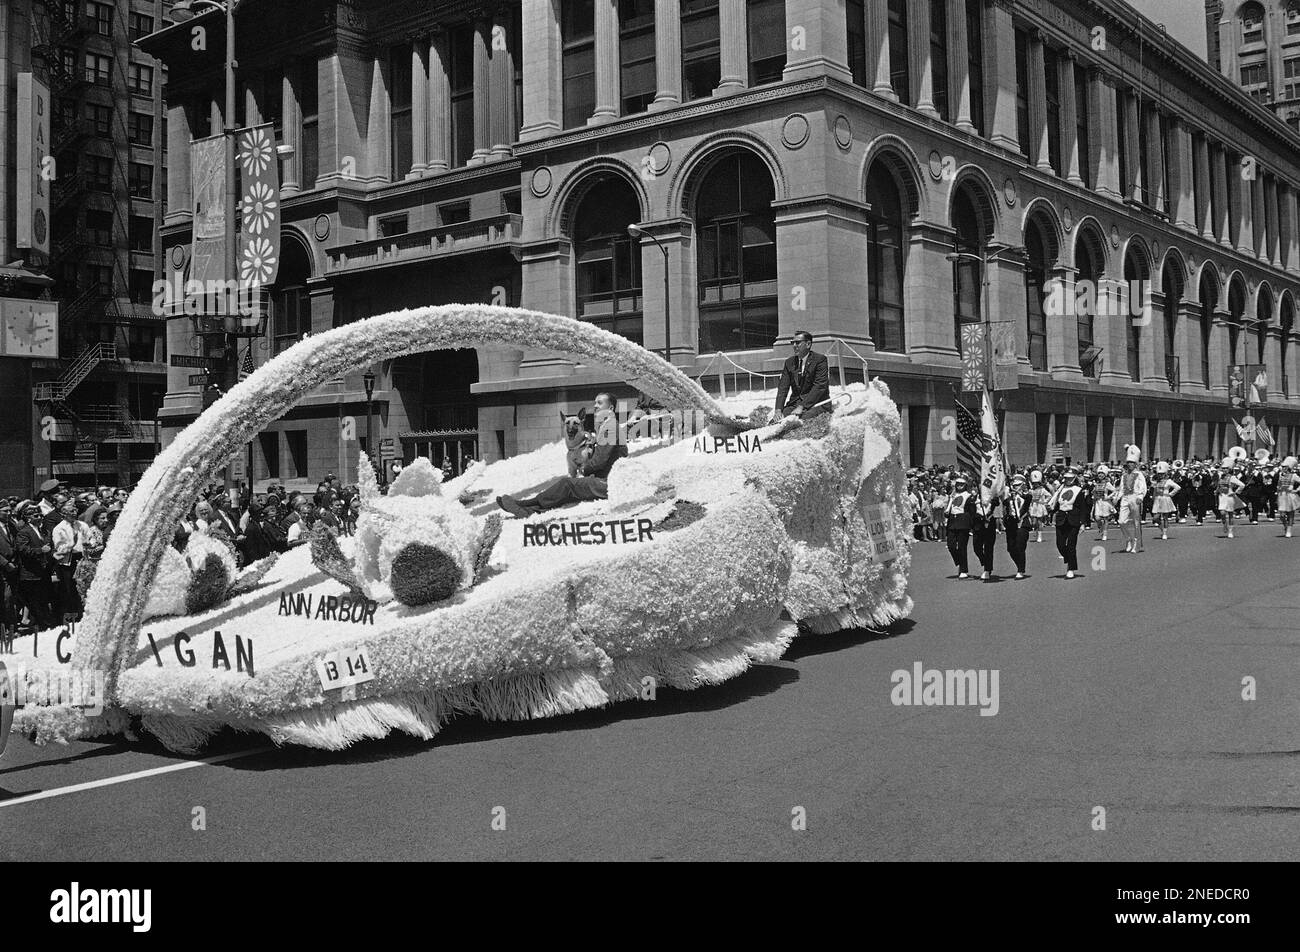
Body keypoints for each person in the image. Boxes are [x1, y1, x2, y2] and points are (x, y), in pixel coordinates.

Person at [497, 442, 629, 516]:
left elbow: (600, 461)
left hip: (607, 483)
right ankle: (530, 510)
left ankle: (527, 504)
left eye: (599, 403)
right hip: (608, 480)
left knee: (567, 484)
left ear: (610, 408)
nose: (595, 406)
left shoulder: (610, 429)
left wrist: (585, 469)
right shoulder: (611, 430)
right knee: (568, 492)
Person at [14, 501, 56, 631]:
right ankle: (43, 626)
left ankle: (45, 625)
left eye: (40, 515)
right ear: (28, 518)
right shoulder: (24, 532)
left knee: (44, 601)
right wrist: (40, 550)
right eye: (36, 516)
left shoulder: (44, 531)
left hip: (44, 573)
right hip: (31, 574)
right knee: (35, 602)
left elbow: (50, 547)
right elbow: (23, 550)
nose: (39, 518)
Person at [773, 330, 830, 420]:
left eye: (798, 343)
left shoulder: (820, 360)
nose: (794, 346)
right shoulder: (789, 362)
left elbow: (820, 386)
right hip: (795, 404)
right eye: (793, 343)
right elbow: (783, 387)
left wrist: (802, 406)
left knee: (802, 420)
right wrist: (778, 410)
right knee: (775, 422)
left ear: (808, 344)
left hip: (816, 403)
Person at [1047, 468, 1087, 579]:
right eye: (1066, 478)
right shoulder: (1060, 490)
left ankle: (1071, 568)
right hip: (1061, 519)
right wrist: (1050, 509)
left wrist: (1083, 523)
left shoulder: (1079, 490)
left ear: (1074, 478)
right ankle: (1070, 559)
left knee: (1071, 545)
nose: (1068, 480)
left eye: (1070, 478)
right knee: (1060, 544)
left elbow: (1083, 508)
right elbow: (1057, 505)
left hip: (1073, 520)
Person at [51, 500, 87, 621]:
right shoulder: (59, 528)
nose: (74, 513)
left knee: (81, 588)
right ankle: (69, 616)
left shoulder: (82, 525)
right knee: (68, 590)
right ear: (64, 514)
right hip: (67, 562)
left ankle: (81, 613)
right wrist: (72, 543)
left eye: (75, 510)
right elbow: (59, 548)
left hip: (82, 559)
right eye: (71, 511)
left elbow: (88, 538)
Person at [944, 475, 977, 579]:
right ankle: (959, 561)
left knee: (962, 547)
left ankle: (963, 570)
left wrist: (971, 525)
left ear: (965, 485)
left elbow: (972, 511)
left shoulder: (968, 495)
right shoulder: (952, 495)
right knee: (951, 545)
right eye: (958, 484)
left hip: (963, 521)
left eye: (962, 484)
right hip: (952, 521)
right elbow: (949, 509)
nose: (959, 486)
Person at [1116, 445, 1147, 554]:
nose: (1130, 464)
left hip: (1135, 498)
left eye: (1132, 463)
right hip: (1125, 498)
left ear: (1136, 464)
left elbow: (1143, 487)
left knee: (1136, 522)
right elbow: (1121, 488)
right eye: (1128, 462)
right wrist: (1117, 498)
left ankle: (1136, 544)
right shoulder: (1124, 475)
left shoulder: (1139, 474)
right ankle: (1128, 539)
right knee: (1121, 521)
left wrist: (1140, 496)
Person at [1002, 474, 1031, 579]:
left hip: (1022, 524)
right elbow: (1004, 502)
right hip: (1011, 525)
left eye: (1018, 485)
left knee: (1020, 547)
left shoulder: (1026, 495)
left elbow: (1027, 499)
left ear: (1023, 484)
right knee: (1011, 548)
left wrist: (1019, 493)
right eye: (1014, 485)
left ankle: (1021, 570)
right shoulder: (1009, 497)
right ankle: (1019, 564)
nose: (1015, 487)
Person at [971, 491, 1000, 581]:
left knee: (988, 548)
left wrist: (990, 497)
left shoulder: (991, 495)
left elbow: (996, 502)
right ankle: (985, 562)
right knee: (977, 547)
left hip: (989, 521)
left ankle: (987, 569)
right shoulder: (974, 497)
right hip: (977, 523)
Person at [1150, 461, 1181, 541]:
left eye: (1162, 473)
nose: (1160, 475)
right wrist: (1153, 498)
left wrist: (1170, 494)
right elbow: (1154, 491)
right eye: (1159, 474)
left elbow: (1177, 487)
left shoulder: (1169, 481)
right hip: (1157, 500)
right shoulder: (1156, 481)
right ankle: (1162, 529)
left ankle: (1164, 533)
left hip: (1165, 500)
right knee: (1155, 518)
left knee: (1165, 517)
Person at [1216, 461, 1246, 539]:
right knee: (1222, 512)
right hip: (1222, 496)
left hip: (1229, 497)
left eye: (1226, 468)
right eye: (1223, 468)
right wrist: (1217, 491)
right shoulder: (1220, 476)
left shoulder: (1232, 477)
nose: (1224, 470)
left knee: (1230, 514)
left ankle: (1230, 531)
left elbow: (1242, 485)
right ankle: (1224, 524)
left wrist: (1235, 492)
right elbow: (1219, 485)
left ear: (1229, 469)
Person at [1091, 465, 1116, 541]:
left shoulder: (1107, 484)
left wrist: (1108, 497)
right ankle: (1100, 528)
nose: (1100, 475)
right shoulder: (1095, 483)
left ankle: (1105, 534)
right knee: (1097, 518)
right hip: (1098, 502)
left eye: (1102, 474)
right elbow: (1093, 492)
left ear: (1105, 475)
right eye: (1099, 473)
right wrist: (1094, 495)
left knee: (1105, 518)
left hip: (1105, 502)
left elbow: (1115, 491)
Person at [1277, 455, 1299, 538]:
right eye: (1282, 467)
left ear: (1288, 467)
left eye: (1284, 467)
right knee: (1282, 515)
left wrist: (1296, 490)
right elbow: (1278, 485)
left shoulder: (1293, 476)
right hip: (1282, 495)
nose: (1283, 468)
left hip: (1290, 495)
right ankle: (1285, 526)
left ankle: (1289, 530)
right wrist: (1278, 489)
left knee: (1290, 513)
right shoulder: (1280, 475)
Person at [1028, 469, 1050, 543]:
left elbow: (1049, 496)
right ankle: (1036, 534)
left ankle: (1039, 536)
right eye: (1034, 483)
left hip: (1039, 506)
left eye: (1036, 483)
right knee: (1034, 522)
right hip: (1033, 506)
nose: (1035, 484)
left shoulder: (1042, 490)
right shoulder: (1031, 490)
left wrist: (1044, 502)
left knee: (1039, 522)